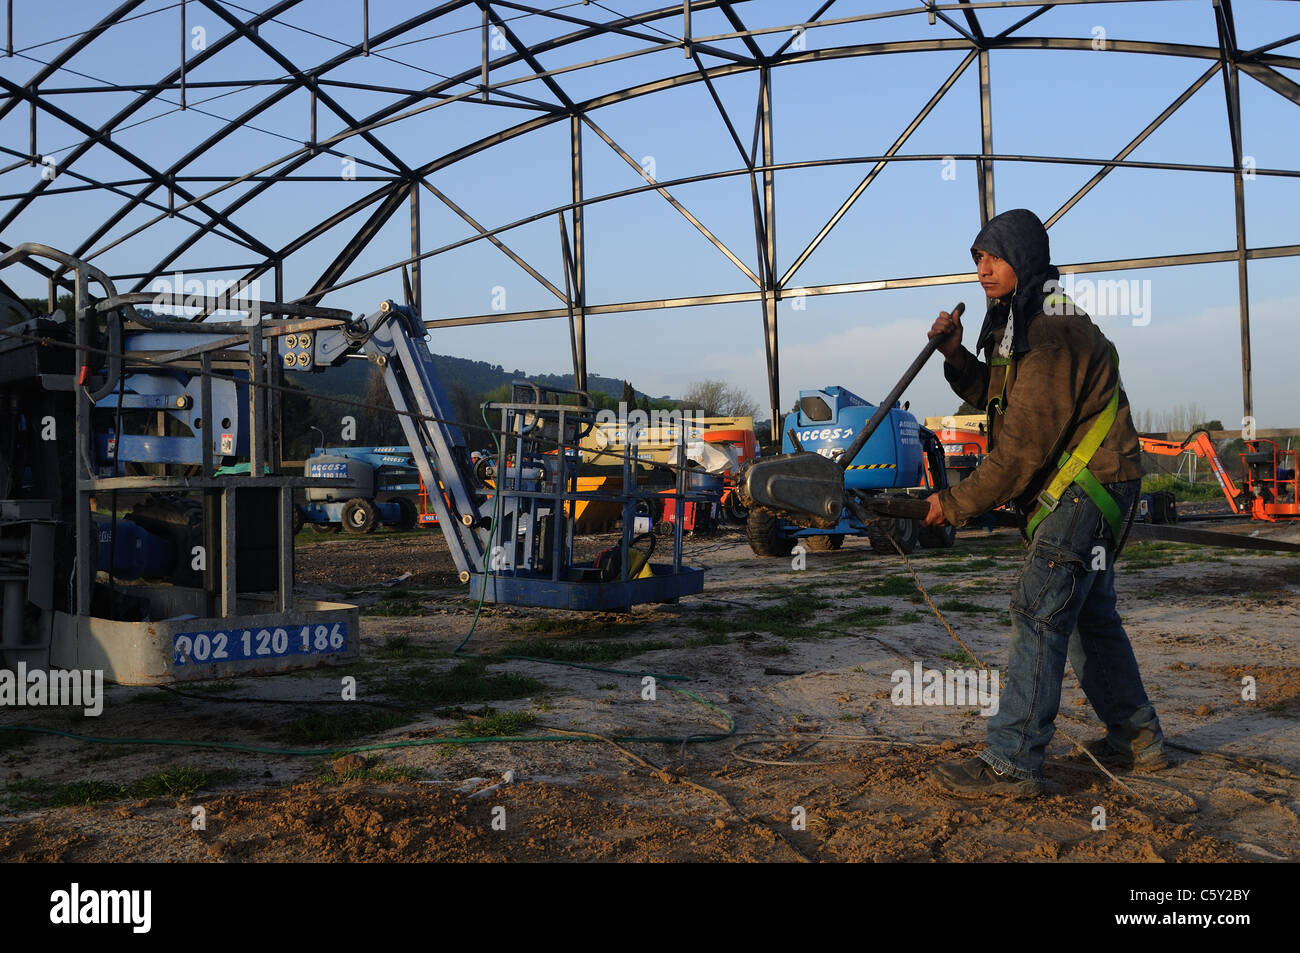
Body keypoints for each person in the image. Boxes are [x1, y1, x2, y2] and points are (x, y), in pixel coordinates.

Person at [920, 208, 1166, 797]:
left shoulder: (1052, 330)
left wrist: (951, 505)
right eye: (977, 259)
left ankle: (1011, 761)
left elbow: (1019, 452)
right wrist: (956, 354)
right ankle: (1138, 741)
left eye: (994, 258)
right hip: (1092, 483)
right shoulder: (1022, 322)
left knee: (1038, 609)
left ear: (1024, 259)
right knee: (1088, 616)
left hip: (1089, 486)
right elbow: (1003, 404)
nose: (982, 270)